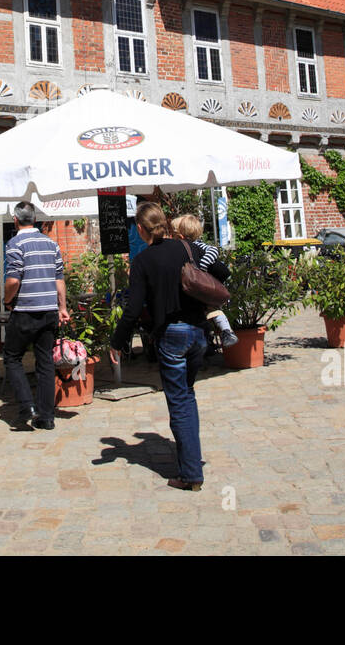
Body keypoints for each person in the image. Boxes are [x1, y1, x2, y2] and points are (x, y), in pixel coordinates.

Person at [110, 203, 209, 491]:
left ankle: (191, 473)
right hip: (199, 332)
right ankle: (192, 459)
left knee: (179, 401)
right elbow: (218, 268)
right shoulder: (186, 248)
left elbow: (132, 310)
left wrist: (117, 343)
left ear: (140, 229)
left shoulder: (142, 262)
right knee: (187, 396)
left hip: (172, 335)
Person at [2, 202, 69, 431]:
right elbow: (59, 278)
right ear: (35, 218)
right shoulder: (52, 244)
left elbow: (13, 280)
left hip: (25, 311)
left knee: (12, 356)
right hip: (49, 310)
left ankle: (26, 405)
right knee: (45, 363)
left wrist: (7, 300)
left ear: (15, 220)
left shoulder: (15, 244)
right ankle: (47, 416)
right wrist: (63, 307)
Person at [170, 213, 237, 348]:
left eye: (174, 233)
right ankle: (215, 336)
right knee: (208, 310)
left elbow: (213, 250)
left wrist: (201, 267)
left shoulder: (198, 246)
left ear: (181, 234)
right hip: (198, 287)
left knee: (212, 308)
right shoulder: (190, 246)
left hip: (202, 284)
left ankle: (226, 331)